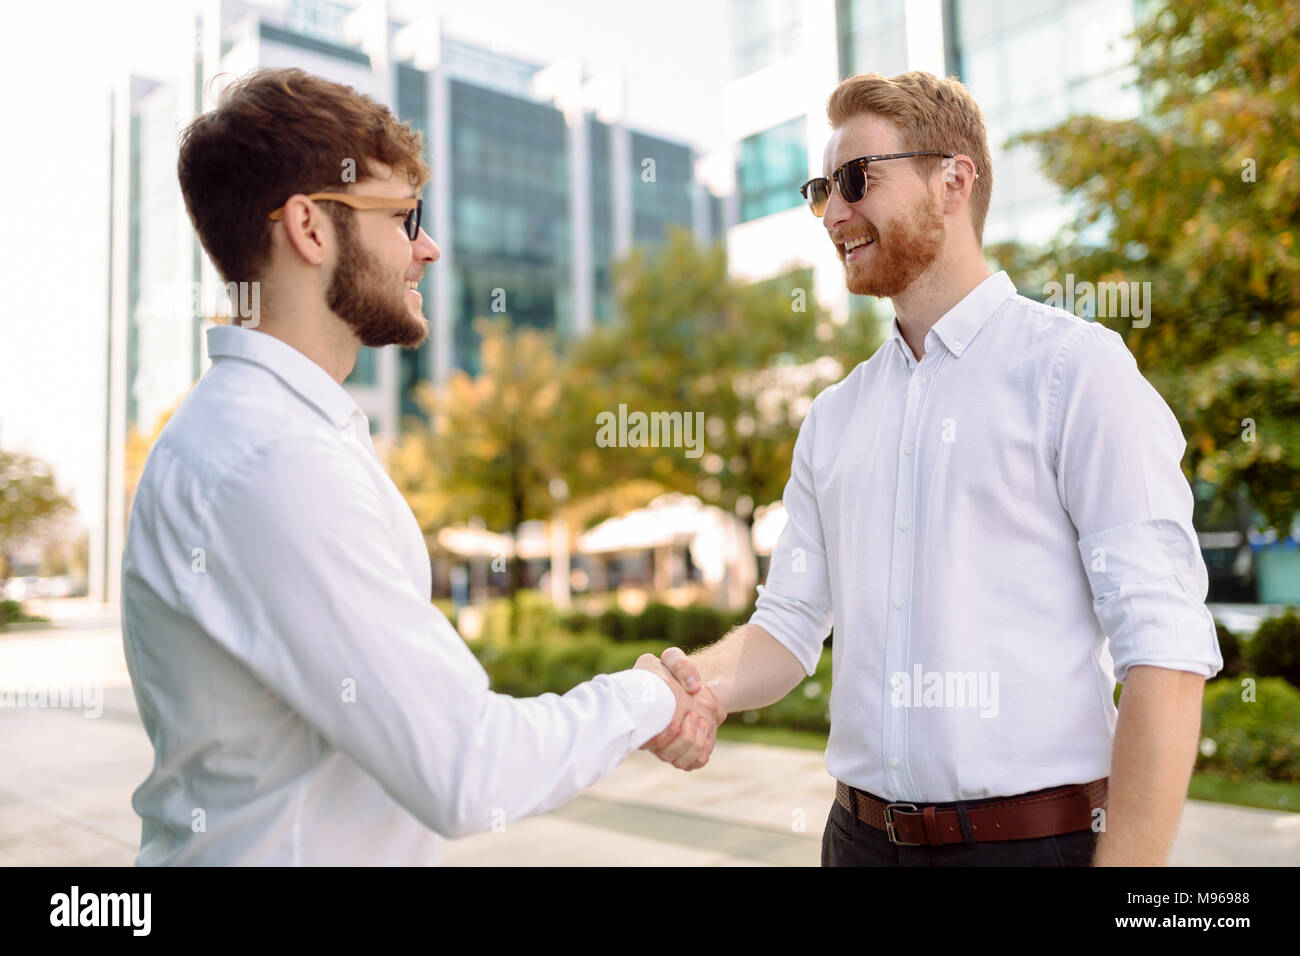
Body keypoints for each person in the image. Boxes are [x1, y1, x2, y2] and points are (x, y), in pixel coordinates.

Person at [120, 67, 721, 866]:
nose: (428, 248)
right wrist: (648, 696)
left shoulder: (281, 432)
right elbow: (468, 769)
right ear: (310, 227)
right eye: (404, 217)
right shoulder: (271, 460)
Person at [641, 71, 1223, 867]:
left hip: (1034, 849)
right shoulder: (833, 417)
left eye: (856, 180)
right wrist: (691, 685)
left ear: (953, 180)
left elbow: (1164, 644)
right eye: (822, 189)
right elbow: (788, 627)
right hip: (856, 845)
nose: (834, 212)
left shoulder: (1076, 372)